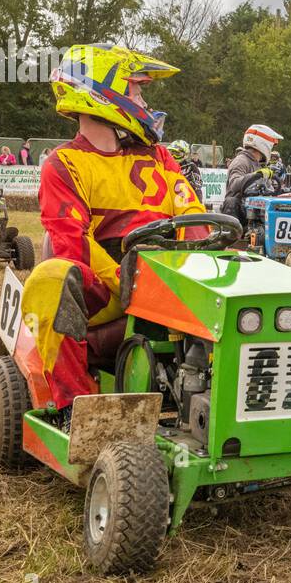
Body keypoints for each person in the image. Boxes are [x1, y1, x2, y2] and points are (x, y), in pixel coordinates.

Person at [20, 43, 205, 410]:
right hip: (108, 292)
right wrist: (132, 284)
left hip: (166, 277)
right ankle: (77, 408)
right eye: (136, 90)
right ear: (102, 94)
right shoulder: (64, 164)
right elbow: (73, 245)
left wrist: (201, 265)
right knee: (50, 278)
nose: (145, 103)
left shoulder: (159, 155)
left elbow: (192, 213)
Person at [222, 124, 283, 222]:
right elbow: (234, 184)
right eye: (271, 146)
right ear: (264, 144)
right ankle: (234, 236)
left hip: (258, 213)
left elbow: (270, 191)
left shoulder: (258, 165)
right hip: (241, 213)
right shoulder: (241, 161)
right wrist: (256, 175)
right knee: (231, 201)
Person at [167, 140, 204, 205]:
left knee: (197, 190)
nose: (173, 156)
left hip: (189, 198)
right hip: (171, 199)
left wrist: (184, 183)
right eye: (171, 153)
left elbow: (199, 183)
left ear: (185, 154)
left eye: (177, 154)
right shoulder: (167, 166)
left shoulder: (191, 166)